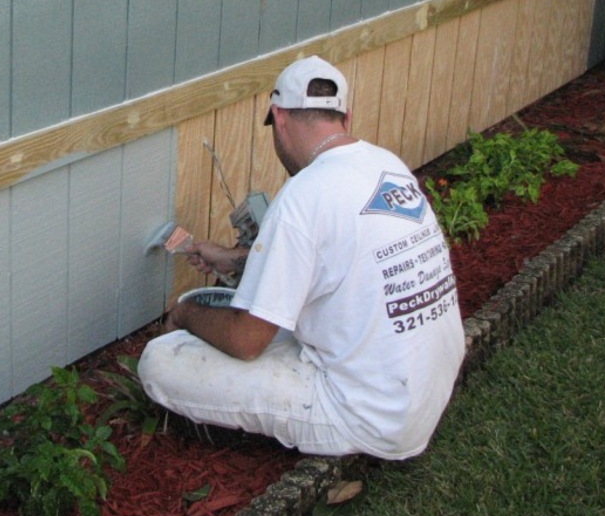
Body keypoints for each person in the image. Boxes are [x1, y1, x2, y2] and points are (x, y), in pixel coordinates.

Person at [138, 55, 466, 459]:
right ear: (346, 117)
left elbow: (245, 341)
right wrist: (232, 258)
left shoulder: (304, 193)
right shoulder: (386, 165)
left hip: (367, 415)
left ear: (279, 116)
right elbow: (331, 259)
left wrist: (183, 315)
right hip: (422, 387)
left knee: (160, 362)